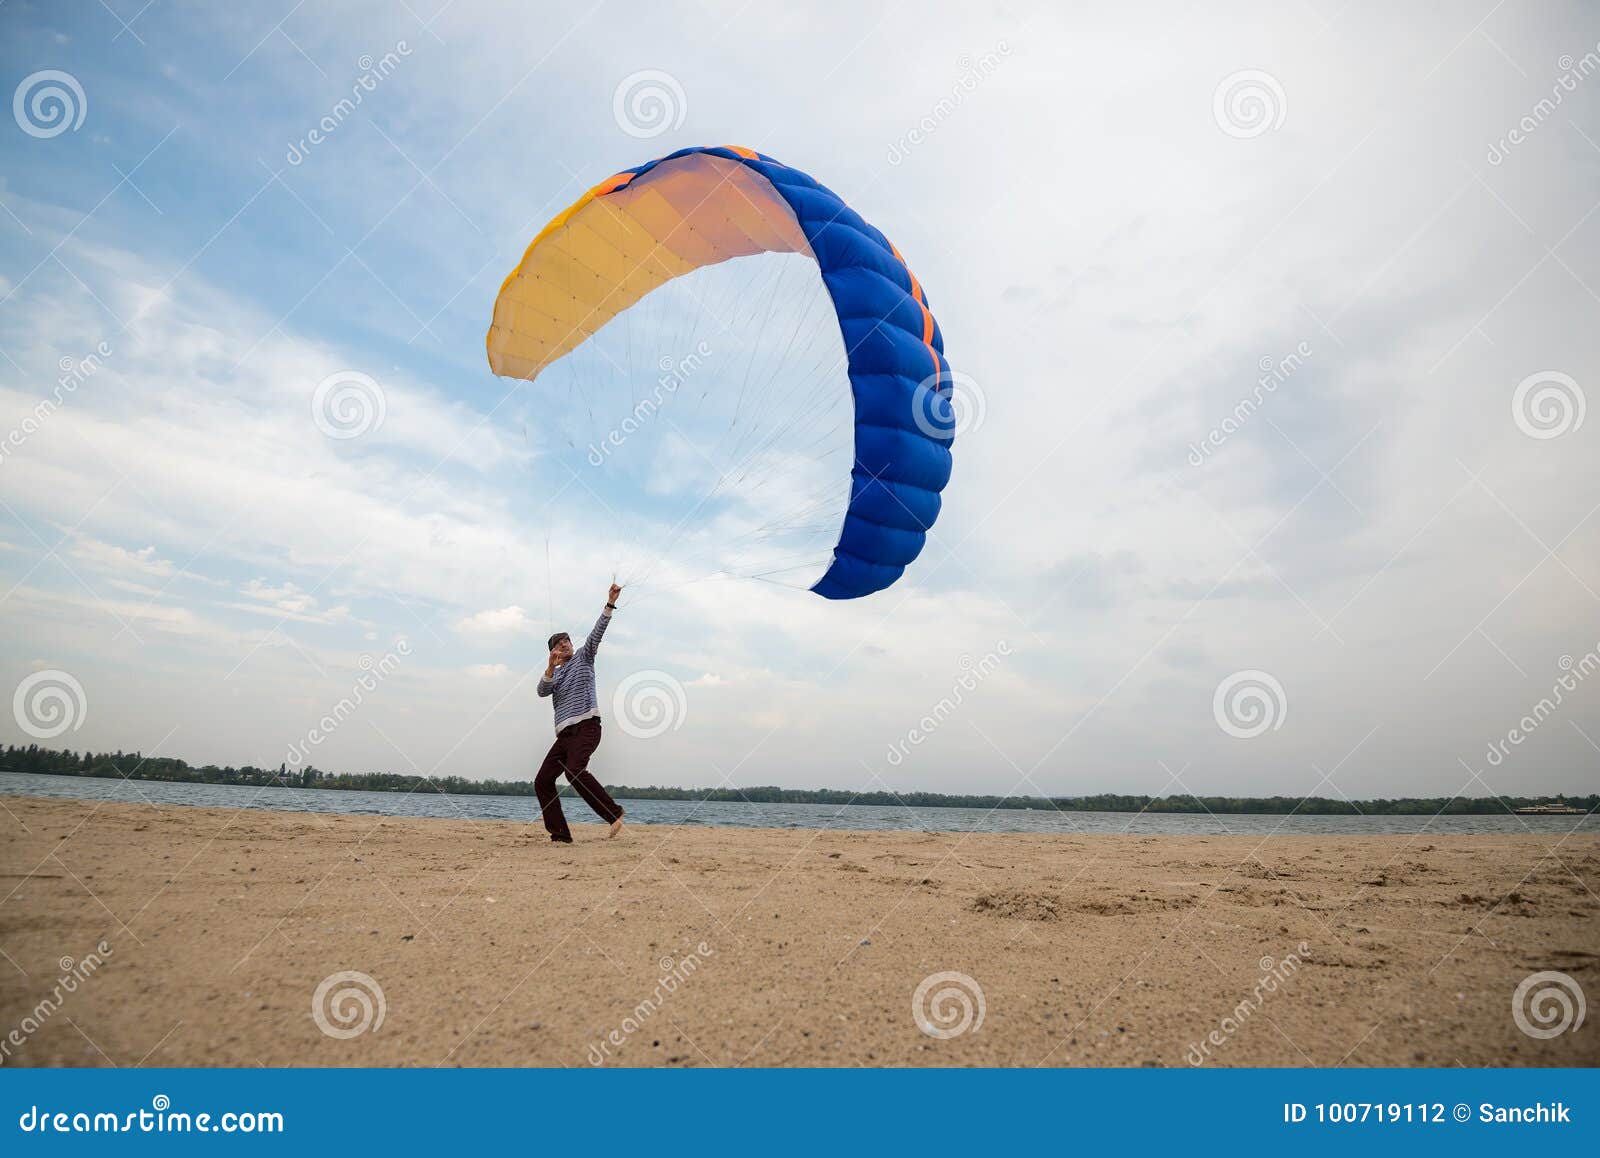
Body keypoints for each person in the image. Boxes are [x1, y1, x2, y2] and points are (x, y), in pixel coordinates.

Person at [534, 582, 626, 843]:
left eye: (566, 641)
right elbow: (542, 691)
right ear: (553, 652)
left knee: (574, 771)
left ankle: (614, 813)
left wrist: (609, 604)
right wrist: (551, 667)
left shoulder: (584, 656)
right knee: (542, 781)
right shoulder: (554, 675)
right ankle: (560, 835)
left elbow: (597, 633)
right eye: (559, 644)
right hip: (564, 736)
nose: (565, 644)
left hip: (587, 727)